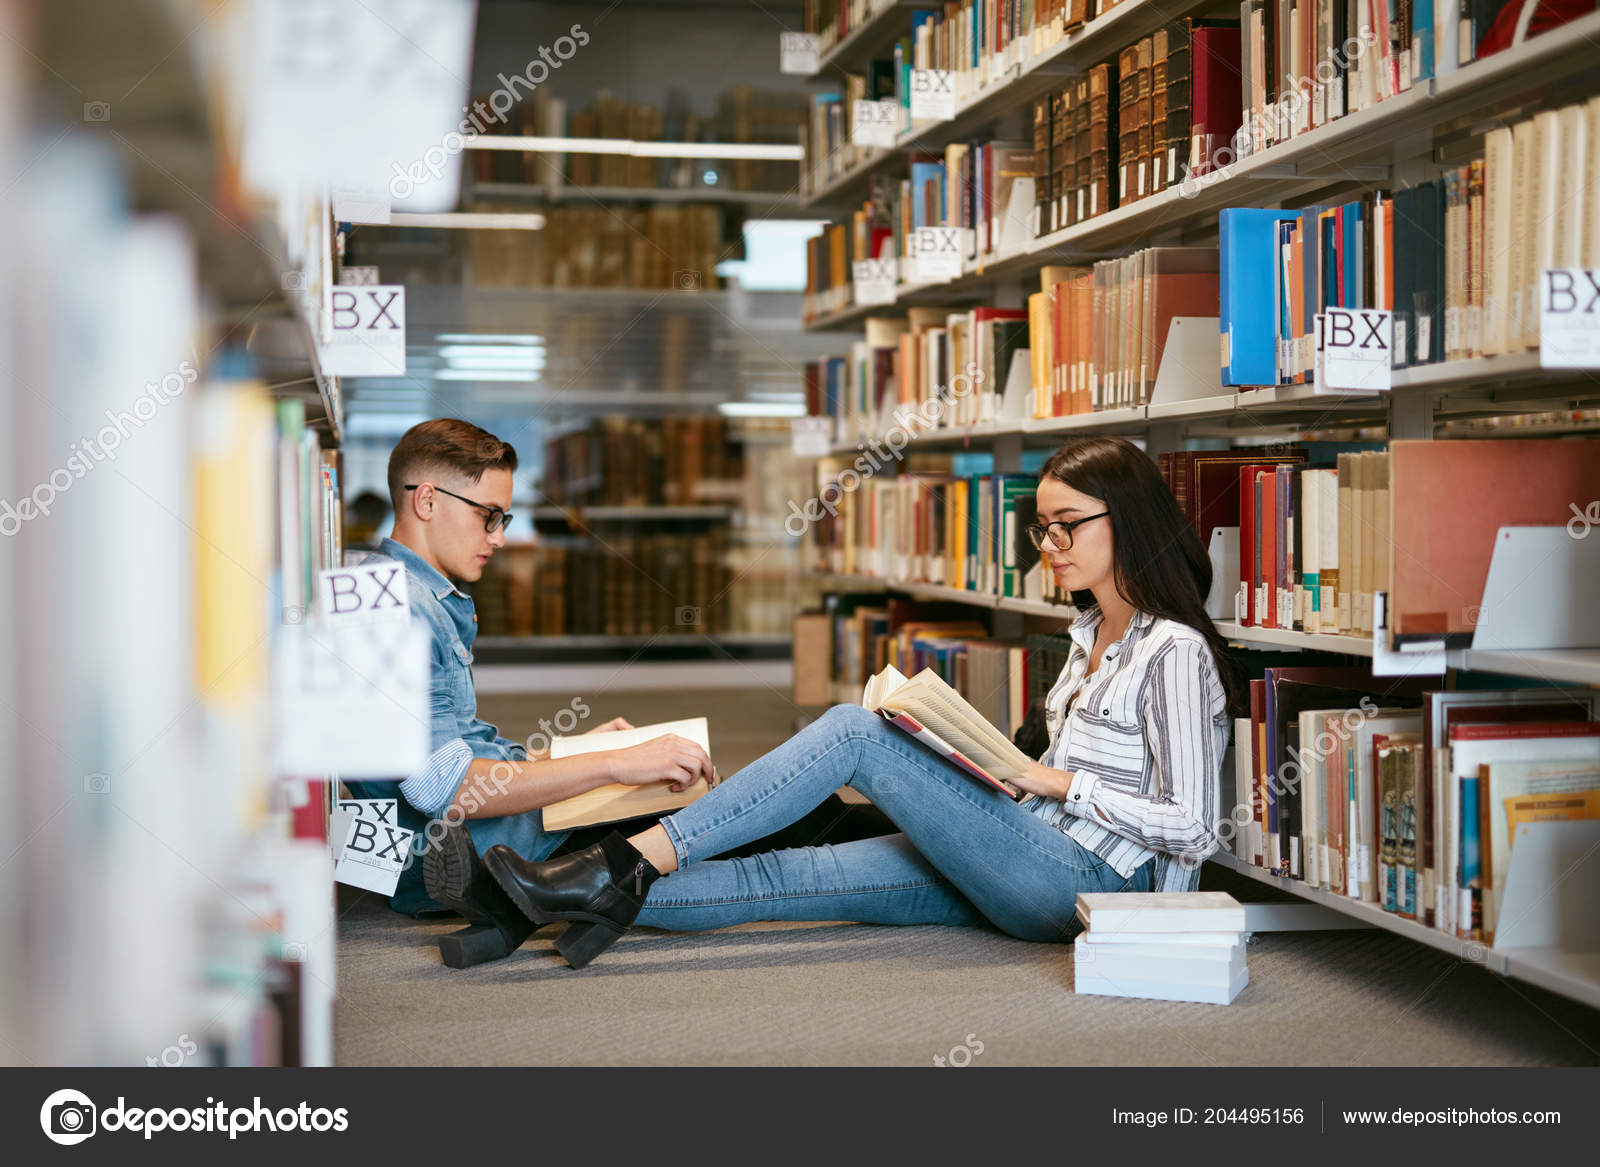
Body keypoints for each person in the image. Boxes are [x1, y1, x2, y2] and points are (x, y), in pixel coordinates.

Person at [456, 435, 1248, 970]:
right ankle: (548, 897)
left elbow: (1194, 824)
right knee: (779, 879)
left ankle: (624, 858)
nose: (1052, 545)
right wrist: (990, 767)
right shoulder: (1083, 638)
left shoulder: (1172, 649)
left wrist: (1055, 782)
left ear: (1129, 520)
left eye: (1069, 524)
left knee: (853, 732)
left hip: (1090, 883)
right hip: (1019, 854)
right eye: (1043, 527)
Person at [346, 418, 888, 969]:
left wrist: (562, 756)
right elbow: (445, 787)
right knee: (750, 814)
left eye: (503, 518)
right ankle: (932, 847)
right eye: (488, 516)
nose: (500, 537)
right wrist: (612, 766)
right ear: (428, 501)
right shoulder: (403, 610)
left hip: (495, 831)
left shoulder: (396, 589)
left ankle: (919, 846)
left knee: (743, 809)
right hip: (500, 844)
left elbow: (449, 757)